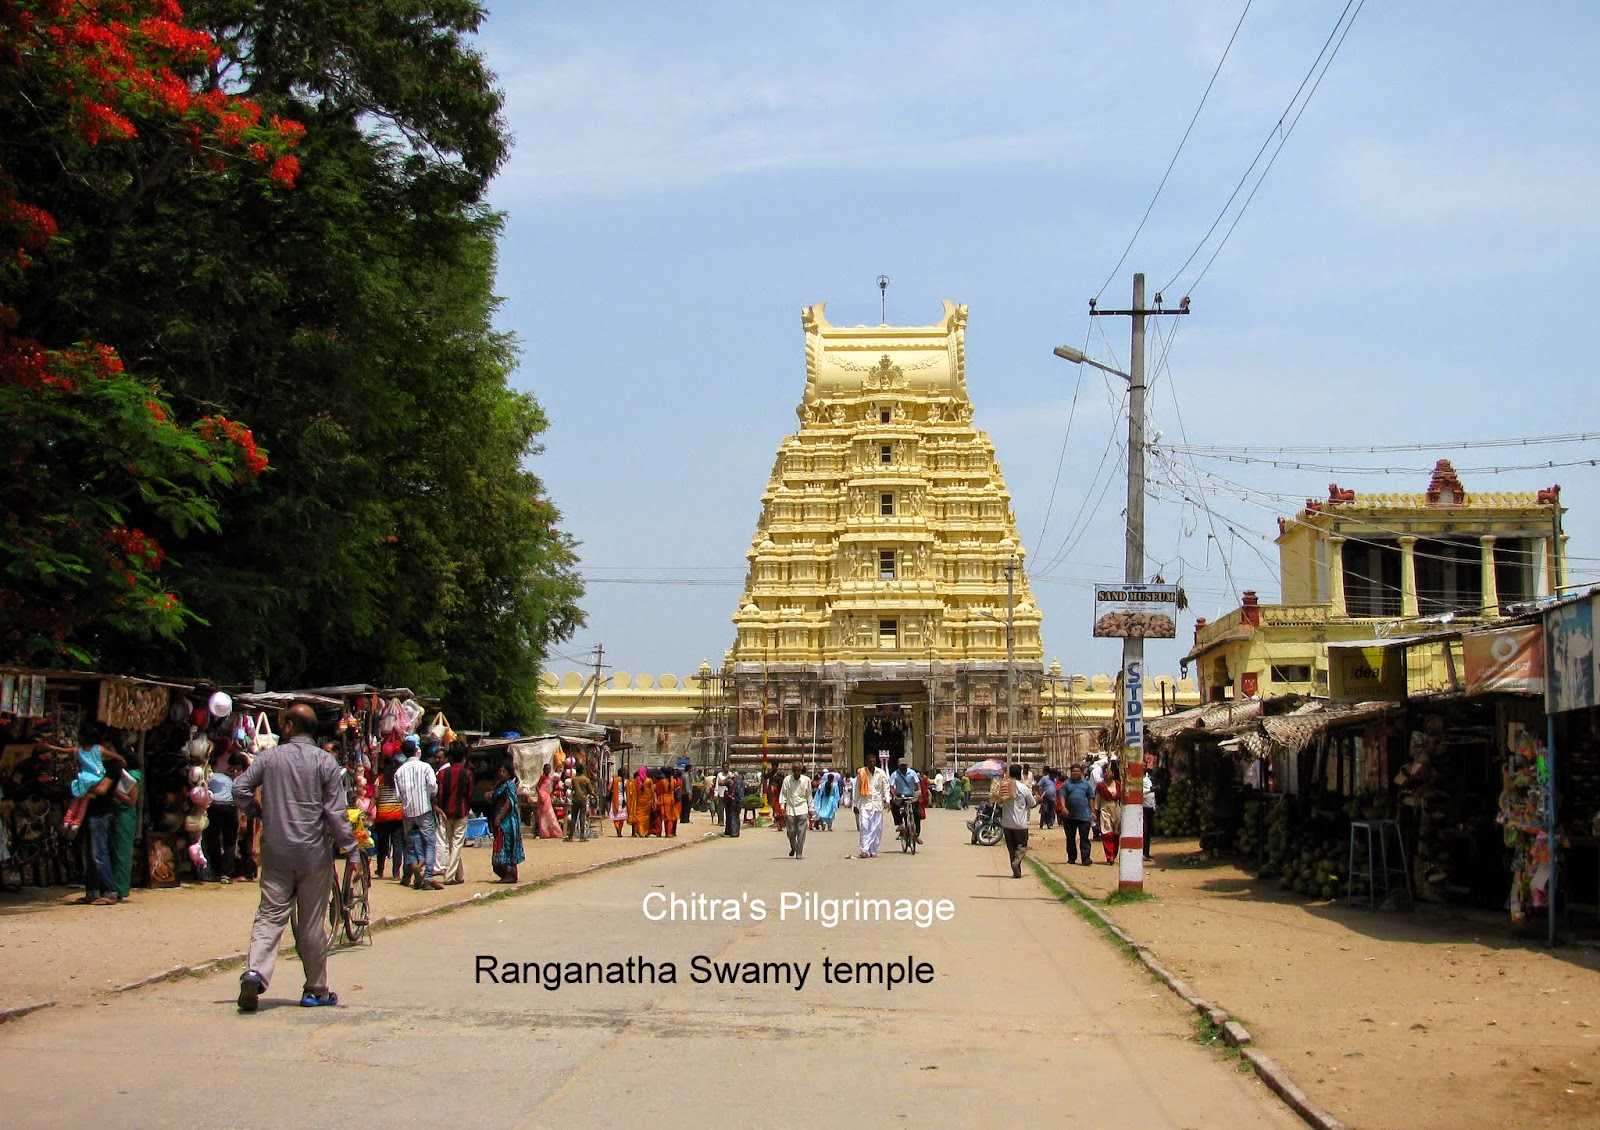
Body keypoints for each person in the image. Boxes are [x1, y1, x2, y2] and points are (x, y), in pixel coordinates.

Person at [234, 703, 359, 1011]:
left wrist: (257, 812)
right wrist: (352, 850)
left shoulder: (269, 759)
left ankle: (255, 973)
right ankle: (315, 989)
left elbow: (239, 789)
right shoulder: (325, 762)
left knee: (269, 915)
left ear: (289, 727)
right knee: (311, 923)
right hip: (314, 854)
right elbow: (335, 813)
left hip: (276, 850)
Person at [76, 737, 125, 905]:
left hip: (101, 813)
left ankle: (110, 891)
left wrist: (84, 787)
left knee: (99, 854)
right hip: (89, 813)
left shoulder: (112, 766)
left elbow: (102, 789)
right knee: (89, 854)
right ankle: (92, 892)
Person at [395, 735, 443, 889]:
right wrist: (427, 795)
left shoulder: (399, 772)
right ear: (417, 750)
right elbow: (433, 787)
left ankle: (411, 869)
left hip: (407, 812)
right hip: (424, 809)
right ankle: (428, 876)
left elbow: (398, 797)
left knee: (409, 844)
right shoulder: (425, 767)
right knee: (429, 843)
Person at [433, 743, 473, 883]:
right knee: (456, 844)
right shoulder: (467, 773)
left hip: (446, 813)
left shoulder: (443, 774)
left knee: (452, 844)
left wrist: (442, 810)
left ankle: (459, 875)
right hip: (461, 812)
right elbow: (469, 794)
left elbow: (440, 794)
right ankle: (449, 876)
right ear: (463, 758)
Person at [107, 746, 143, 900]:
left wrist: (114, 789)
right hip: (117, 814)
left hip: (125, 815)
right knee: (114, 851)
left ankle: (120, 889)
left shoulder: (133, 776)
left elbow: (131, 801)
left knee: (122, 853)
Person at [203, 754, 240, 883]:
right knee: (229, 842)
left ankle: (216, 871)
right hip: (229, 807)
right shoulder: (228, 779)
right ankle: (227, 874)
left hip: (215, 807)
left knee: (213, 840)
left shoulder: (210, 778)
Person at [996, 763, 1038, 879]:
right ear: (1020, 774)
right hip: (1021, 823)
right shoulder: (1023, 788)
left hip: (1006, 823)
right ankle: (1016, 863)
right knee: (1022, 846)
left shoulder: (1003, 787)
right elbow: (1032, 804)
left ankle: (1016, 870)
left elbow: (998, 802)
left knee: (1011, 847)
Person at [371, 750, 405, 879]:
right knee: (397, 844)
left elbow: (376, 797)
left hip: (383, 817)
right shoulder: (398, 780)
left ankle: (380, 870)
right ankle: (396, 873)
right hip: (397, 816)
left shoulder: (380, 780)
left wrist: (369, 811)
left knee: (383, 845)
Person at [489, 763, 524, 883]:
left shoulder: (510, 785)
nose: (501, 774)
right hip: (499, 817)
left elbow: (509, 802)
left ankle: (510, 873)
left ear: (509, 773)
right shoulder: (501, 785)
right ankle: (505, 874)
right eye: (500, 771)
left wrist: (499, 817)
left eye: (504, 771)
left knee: (506, 845)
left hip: (507, 820)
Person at [856, 757, 890, 859]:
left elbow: (886, 788)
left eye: (873, 761)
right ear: (866, 762)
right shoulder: (862, 773)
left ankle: (873, 850)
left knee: (876, 828)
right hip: (864, 804)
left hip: (877, 804)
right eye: (870, 761)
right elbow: (858, 788)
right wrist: (855, 804)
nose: (872, 763)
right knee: (864, 826)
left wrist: (887, 800)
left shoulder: (881, 773)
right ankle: (864, 850)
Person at [780, 761, 812, 859]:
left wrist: (810, 808)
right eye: (794, 771)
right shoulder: (787, 780)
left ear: (801, 770)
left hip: (802, 808)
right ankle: (793, 847)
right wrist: (782, 807)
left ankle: (799, 852)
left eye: (798, 770)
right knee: (791, 831)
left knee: (801, 832)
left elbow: (809, 795)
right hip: (790, 809)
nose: (796, 773)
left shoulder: (806, 780)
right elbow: (783, 794)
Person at [889, 758, 922, 845]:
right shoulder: (895, 774)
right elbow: (891, 786)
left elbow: (917, 783)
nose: (903, 767)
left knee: (917, 815)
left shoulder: (912, 773)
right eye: (901, 766)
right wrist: (894, 796)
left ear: (907, 765)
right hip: (900, 796)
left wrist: (919, 792)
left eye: (904, 765)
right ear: (898, 766)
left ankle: (916, 835)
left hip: (911, 796)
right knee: (894, 806)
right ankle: (900, 824)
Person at [1095, 760, 1123, 864]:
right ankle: (1109, 855)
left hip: (1116, 809)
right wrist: (1095, 812)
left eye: (1109, 771)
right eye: (1105, 772)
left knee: (1116, 833)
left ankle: (1114, 854)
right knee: (1107, 833)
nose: (1107, 774)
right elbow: (1097, 799)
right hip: (1105, 809)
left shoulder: (1118, 785)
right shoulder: (1101, 786)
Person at [567, 763, 595, 842]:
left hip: (575, 799)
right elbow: (590, 790)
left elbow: (573, 788)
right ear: (583, 770)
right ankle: (582, 836)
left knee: (574, 818)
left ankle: (570, 836)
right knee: (582, 817)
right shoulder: (586, 779)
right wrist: (594, 795)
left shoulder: (574, 779)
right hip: (583, 800)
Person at [534, 764, 562, 839]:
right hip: (543, 796)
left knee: (549, 815)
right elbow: (537, 787)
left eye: (549, 768)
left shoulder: (548, 777)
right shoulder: (542, 777)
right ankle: (544, 832)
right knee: (543, 815)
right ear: (544, 769)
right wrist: (540, 795)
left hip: (547, 796)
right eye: (547, 769)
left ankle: (551, 831)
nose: (548, 770)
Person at [628, 767, 654, 838]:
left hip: (639, 801)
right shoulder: (649, 780)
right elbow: (652, 791)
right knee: (646, 817)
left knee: (639, 815)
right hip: (647, 802)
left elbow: (632, 791)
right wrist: (654, 800)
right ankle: (644, 831)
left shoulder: (635, 781)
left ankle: (639, 831)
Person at [1142, 763, 1158, 861]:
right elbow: (1141, 792)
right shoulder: (1139, 780)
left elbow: (1152, 795)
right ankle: (1143, 853)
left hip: (1150, 806)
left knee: (1148, 831)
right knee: (1144, 830)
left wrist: (1154, 806)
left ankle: (1147, 852)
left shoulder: (1147, 778)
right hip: (1143, 807)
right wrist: (1150, 790)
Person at [720, 766, 742, 837]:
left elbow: (721, 783)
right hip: (739, 800)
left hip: (732, 800)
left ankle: (732, 832)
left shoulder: (731, 780)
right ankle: (736, 832)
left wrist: (727, 778)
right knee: (736, 816)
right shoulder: (741, 781)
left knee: (731, 816)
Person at [608, 771, 628, 837]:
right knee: (621, 817)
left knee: (616, 816)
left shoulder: (614, 780)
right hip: (624, 799)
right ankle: (620, 830)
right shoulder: (626, 781)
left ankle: (617, 830)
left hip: (616, 799)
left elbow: (609, 788)